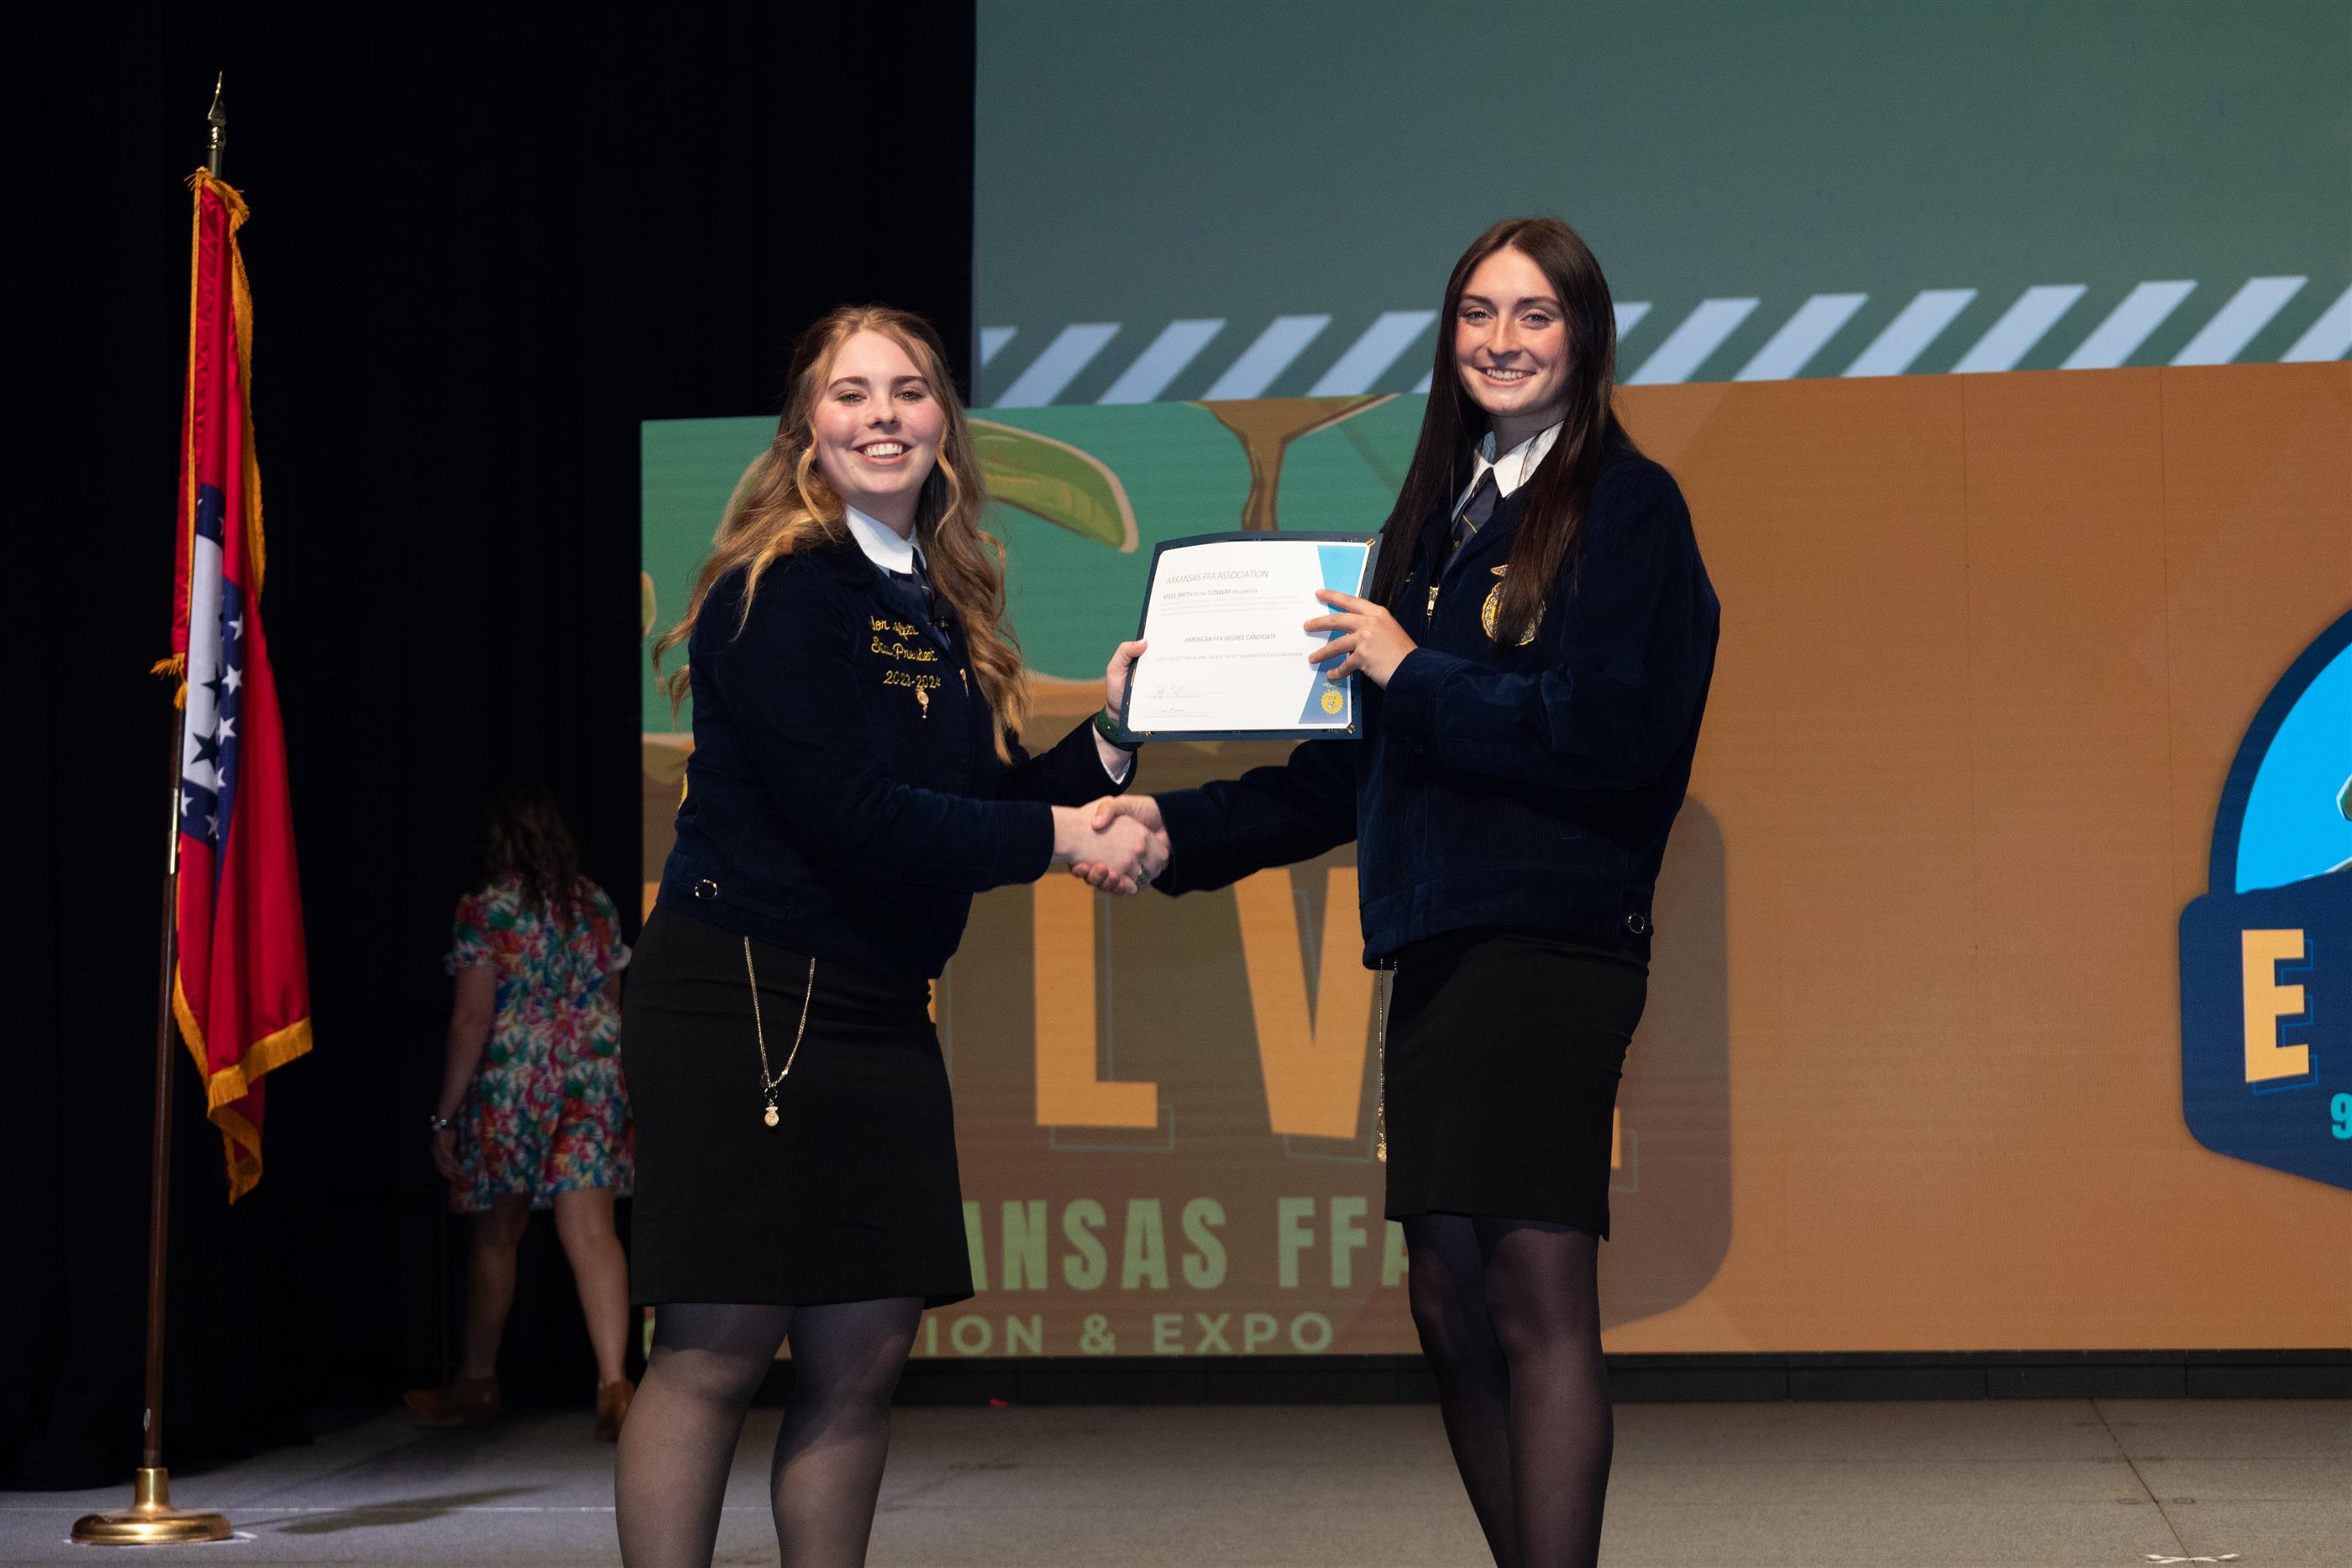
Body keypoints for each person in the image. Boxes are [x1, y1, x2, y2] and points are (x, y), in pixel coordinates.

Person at [1081, 217, 1719, 1568]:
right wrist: (1169, 825)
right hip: (1434, 943)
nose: (1501, 338)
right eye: (1478, 312)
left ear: (1584, 336)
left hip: (1553, 935)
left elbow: (1604, 731)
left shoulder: (1628, 504)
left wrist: (1411, 665)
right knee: (1446, 1296)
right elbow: (1347, 775)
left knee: (1536, 1283)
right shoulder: (1426, 527)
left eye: (1534, 314)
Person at [613, 304, 1162, 1567]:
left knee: (862, 1354)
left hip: (875, 1009)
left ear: (945, 428)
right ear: (809, 427)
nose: (882, 415)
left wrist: (1114, 737)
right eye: (852, 393)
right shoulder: (777, 588)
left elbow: (972, 809)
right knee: (716, 1347)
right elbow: (854, 818)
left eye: (908, 391)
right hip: (741, 1000)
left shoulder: (937, 600)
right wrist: (1070, 838)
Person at [407, 778, 638, 1440]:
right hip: (594, 1073)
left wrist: (445, 1115)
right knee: (593, 1233)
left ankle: (478, 1378)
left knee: (497, 1234)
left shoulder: (489, 908)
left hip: (518, 1082)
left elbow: (472, 1017)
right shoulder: (594, 902)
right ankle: (614, 1384)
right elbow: (611, 1002)